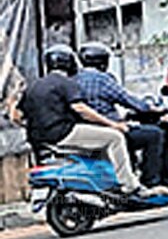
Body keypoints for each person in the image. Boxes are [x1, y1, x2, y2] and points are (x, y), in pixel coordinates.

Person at [12, 45, 160, 197]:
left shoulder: (33, 86)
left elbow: (16, 116)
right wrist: (113, 125)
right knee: (115, 138)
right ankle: (130, 186)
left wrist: (35, 124)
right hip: (63, 134)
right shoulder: (66, 83)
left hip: (39, 140)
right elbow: (81, 109)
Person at [76, 42, 168, 191]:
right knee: (155, 135)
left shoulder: (74, 78)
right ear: (102, 61)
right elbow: (126, 99)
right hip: (109, 130)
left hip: (87, 132)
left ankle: (131, 170)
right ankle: (151, 182)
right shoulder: (102, 79)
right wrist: (150, 109)